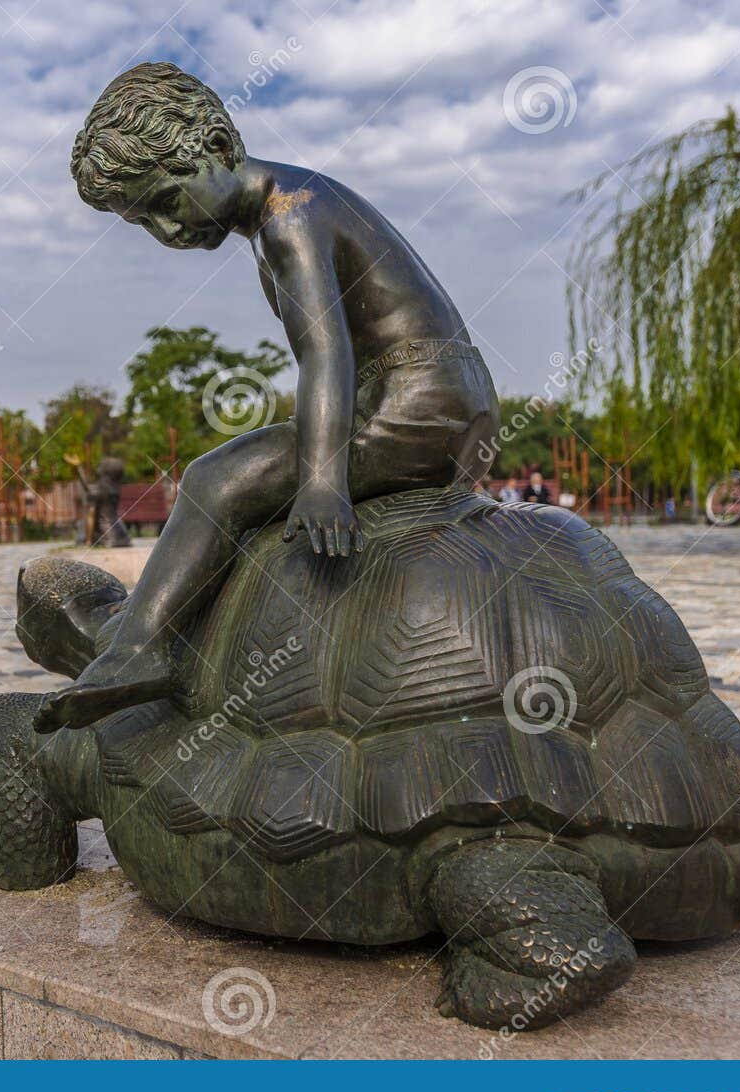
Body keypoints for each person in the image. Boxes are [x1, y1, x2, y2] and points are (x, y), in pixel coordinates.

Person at [36, 62, 499, 732]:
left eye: (168, 203)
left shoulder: (289, 215)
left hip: (419, 405)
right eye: (144, 224)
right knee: (245, 472)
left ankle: (137, 649)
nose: (167, 234)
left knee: (215, 479)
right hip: (444, 398)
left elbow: (325, 353)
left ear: (219, 149)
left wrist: (320, 479)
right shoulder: (290, 209)